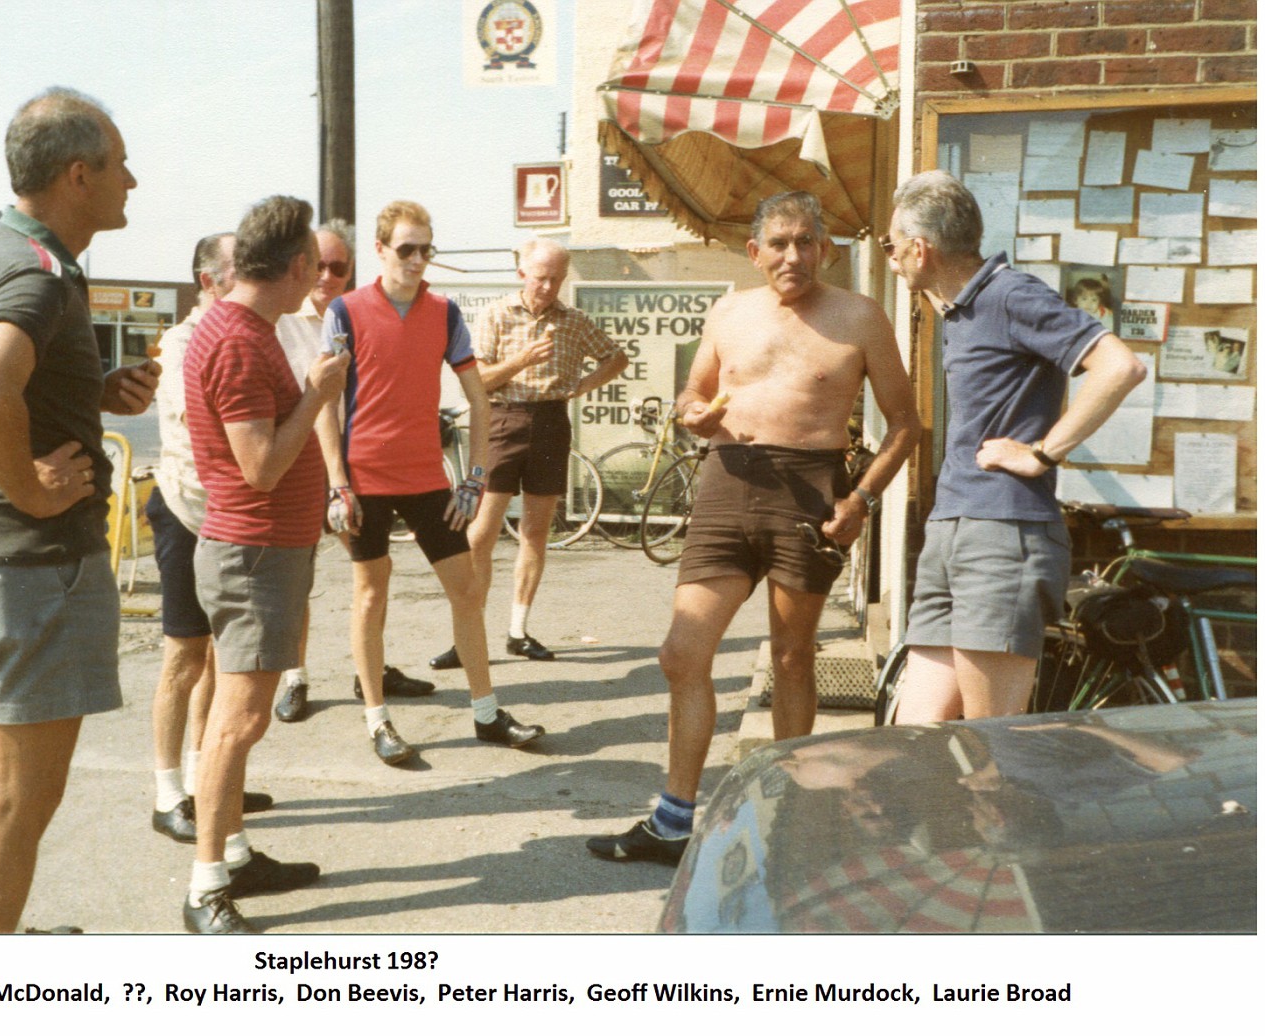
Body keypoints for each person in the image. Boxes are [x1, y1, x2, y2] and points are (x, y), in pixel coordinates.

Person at [586, 190, 918, 865]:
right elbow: (691, 393)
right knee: (682, 653)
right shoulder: (730, 311)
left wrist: (861, 500)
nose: (792, 255)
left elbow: (908, 425)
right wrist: (694, 414)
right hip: (727, 484)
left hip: (811, 491)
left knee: (793, 656)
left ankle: (793, 815)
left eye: (805, 242)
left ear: (824, 248)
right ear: (755, 251)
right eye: (778, 243)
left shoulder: (859, 316)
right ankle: (674, 821)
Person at [0, 87, 158, 932]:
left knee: (10, 796)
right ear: (76, 174)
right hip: (31, 571)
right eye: (120, 164)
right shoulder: (39, 275)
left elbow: (4, 388)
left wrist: (88, 396)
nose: (132, 180)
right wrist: (30, 486)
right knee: (18, 802)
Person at [882, 170, 1145, 725]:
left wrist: (1043, 453)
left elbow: (1121, 366)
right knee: (910, 739)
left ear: (920, 248)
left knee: (990, 747)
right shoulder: (960, 304)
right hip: (952, 526)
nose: (890, 260)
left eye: (891, 247)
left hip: (1003, 534)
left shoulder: (1010, 295)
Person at [318, 200, 545, 766]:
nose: (418, 260)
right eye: (406, 249)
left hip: (426, 478)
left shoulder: (444, 313)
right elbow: (325, 405)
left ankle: (487, 713)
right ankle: (378, 719)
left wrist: (474, 477)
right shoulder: (345, 311)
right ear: (380, 251)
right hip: (365, 479)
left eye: (426, 249)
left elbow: (478, 397)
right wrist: (336, 484)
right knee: (371, 595)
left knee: (466, 592)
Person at [182, 195, 350, 934]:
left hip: (258, 552)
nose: (319, 279)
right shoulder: (240, 341)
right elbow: (259, 467)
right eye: (314, 266)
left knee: (238, 717)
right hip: (252, 554)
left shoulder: (237, 325)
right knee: (237, 721)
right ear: (292, 267)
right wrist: (316, 395)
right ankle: (206, 887)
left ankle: (235, 855)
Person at [429, 237, 627, 670]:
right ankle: (467, 635)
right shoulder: (496, 314)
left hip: (552, 423)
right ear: (523, 273)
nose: (548, 287)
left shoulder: (573, 321)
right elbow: (478, 380)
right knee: (480, 534)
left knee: (536, 533)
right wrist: (522, 360)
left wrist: (584, 385)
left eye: (557, 279)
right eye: (541, 278)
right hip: (503, 421)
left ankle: (518, 631)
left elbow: (617, 358)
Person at [271, 219, 434, 722]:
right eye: (316, 264)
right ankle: (295, 677)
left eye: (337, 266)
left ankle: (374, 670)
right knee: (299, 575)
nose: (326, 275)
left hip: (357, 466)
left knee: (375, 572)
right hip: (298, 465)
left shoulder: (360, 313)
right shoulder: (279, 320)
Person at [146, 232, 273, 843]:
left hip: (227, 518)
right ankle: (168, 791)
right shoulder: (182, 344)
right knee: (184, 657)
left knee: (226, 662)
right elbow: (201, 451)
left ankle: (206, 781)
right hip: (187, 512)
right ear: (206, 281)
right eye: (234, 270)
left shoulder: (246, 333)